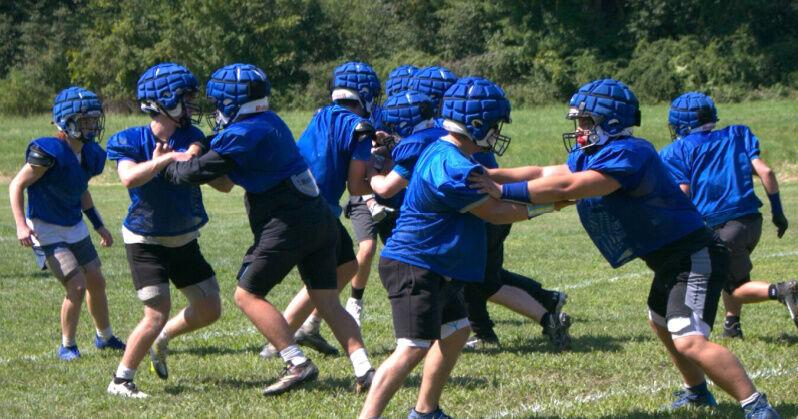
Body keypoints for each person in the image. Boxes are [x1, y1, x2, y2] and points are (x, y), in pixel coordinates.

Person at [470, 79, 780, 418]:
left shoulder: (630, 153)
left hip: (694, 255)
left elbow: (571, 185)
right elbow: (546, 171)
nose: (579, 129)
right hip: (670, 259)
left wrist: (505, 192)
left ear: (612, 121)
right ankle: (697, 392)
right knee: (660, 322)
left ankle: (757, 406)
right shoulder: (599, 152)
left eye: (586, 121)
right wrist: (492, 174)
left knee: (688, 337)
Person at [162, 63, 374, 395]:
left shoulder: (245, 132)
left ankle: (296, 362)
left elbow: (192, 174)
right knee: (327, 300)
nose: (217, 110)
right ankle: (365, 370)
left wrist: (167, 166)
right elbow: (217, 155)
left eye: (220, 103)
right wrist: (197, 149)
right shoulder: (268, 121)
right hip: (319, 216)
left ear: (233, 103)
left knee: (246, 295)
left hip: (288, 219)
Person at [360, 77, 563, 419]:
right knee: (411, 348)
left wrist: (563, 173)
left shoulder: (450, 150)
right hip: (415, 263)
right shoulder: (452, 167)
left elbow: (507, 177)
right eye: (495, 125)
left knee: (455, 331)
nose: (497, 132)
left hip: (432, 263)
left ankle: (426, 411)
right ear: (478, 124)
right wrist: (553, 204)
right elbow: (496, 213)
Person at [105, 63, 222, 398]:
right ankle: (121, 380)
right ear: (164, 101)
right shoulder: (129, 139)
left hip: (183, 236)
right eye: (184, 98)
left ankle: (163, 337)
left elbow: (193, 153)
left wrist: (181, 156)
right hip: (146, 238)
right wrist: (161, 161)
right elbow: (129, 177)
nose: (190, 105)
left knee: (211, 307)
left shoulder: (190, 136)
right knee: (155, 313)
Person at [260, 61, 382, 356]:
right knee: (310, 279)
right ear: (364, 95)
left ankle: (296, 330)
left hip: (292, 198)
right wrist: (388, 178)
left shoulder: (321, 115)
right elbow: (356, 187)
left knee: (346, 267)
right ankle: (281, 340)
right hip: (313, 209)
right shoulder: (360, 127)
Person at [659, 92, 796, 337]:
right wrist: (778, 213)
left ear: (682, 123)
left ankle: (782, 291)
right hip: (752, 222)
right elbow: (767, 172)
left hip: (723, 226)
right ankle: (732, 324)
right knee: (730, 272)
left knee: (733, 286)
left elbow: (684, 192)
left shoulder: (679, 149)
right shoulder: (738, 135)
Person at [9, 86, 125, 361]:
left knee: (96, 280)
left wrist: (98, 225)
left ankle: (104, 336)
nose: (92, 126)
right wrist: (20, 225)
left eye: (94, 120)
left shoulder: (90, 154)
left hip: (73, 224)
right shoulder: (49, 151)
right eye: (85, 121)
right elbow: (16, 185)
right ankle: (68, 345)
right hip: (45, 226)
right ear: (67, 121)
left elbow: (81, 189)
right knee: (77, 285)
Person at [343, 64, 420, 327]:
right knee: (366, 248)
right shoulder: (362, 117)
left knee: (406, 251)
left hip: (392, 191)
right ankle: (353, 302)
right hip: (365, 190)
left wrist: (388, 147)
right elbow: (360, 161)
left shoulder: (396, 115)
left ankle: (425, 308)